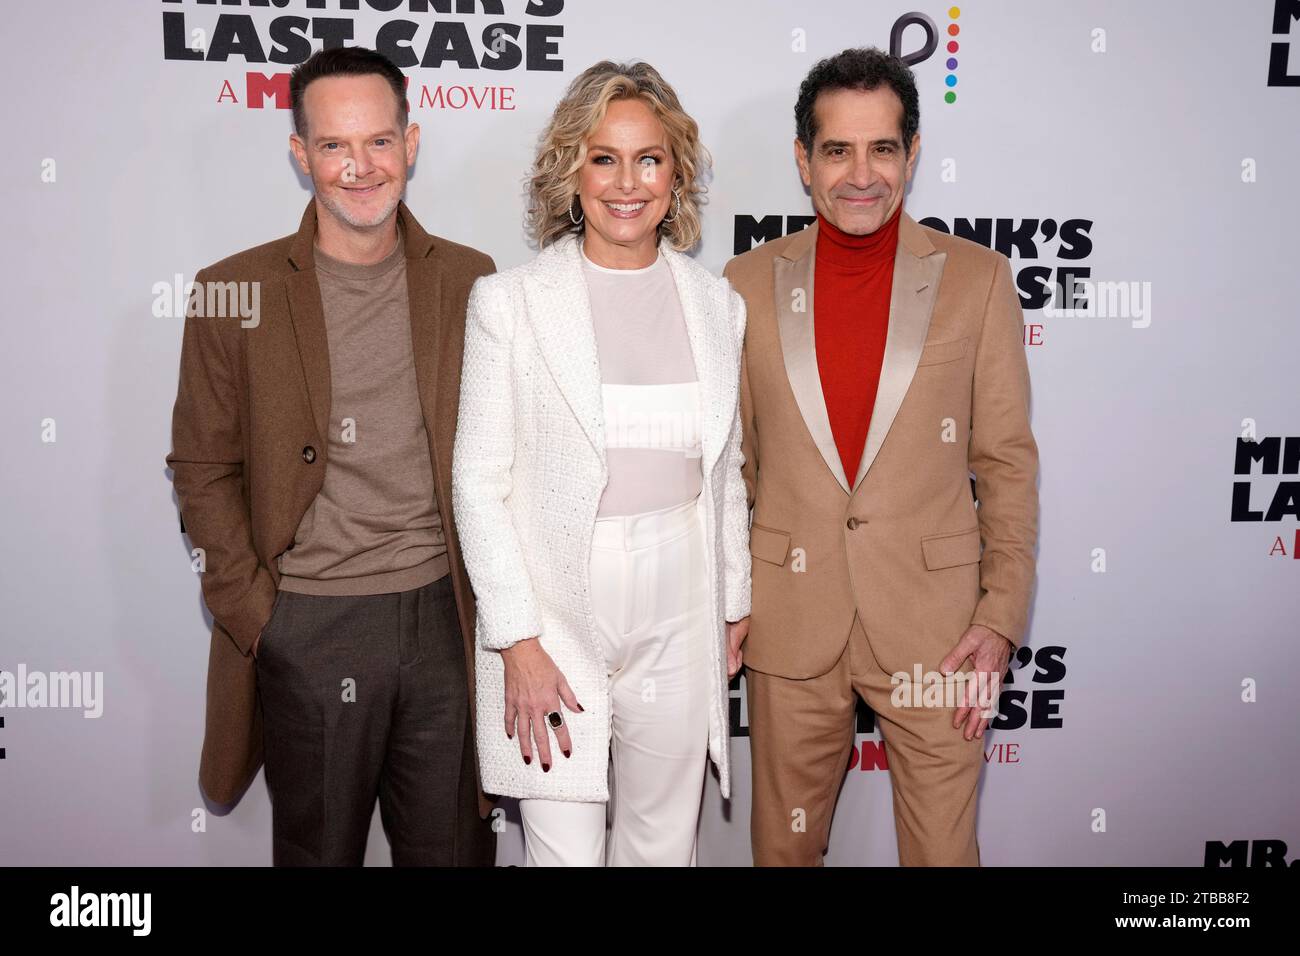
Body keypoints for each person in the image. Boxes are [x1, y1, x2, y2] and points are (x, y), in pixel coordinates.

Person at [166, 46, 497, 866]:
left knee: (454, 852)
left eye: (379, 142)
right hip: (308, 624)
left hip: (444, 622)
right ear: (300, 153)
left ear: (411, 145)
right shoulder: (230, 290)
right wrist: (259, 619)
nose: (360, 167)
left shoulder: (472, 280)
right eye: (334, 145)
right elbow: (201, 468)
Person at [723, 47, 1040, 866]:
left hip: (939, 633)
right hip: (789, 623)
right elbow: (733, 467)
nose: (861, 174)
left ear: (913, 151)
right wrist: (728, 595)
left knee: (943, 854)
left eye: (883, 149)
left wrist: (999, 620)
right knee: (782, 854)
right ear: (803, 159)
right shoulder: (745, 284)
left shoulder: (978, 281)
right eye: (837, 150)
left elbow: (1005, 462)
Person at [452, 60, 751, 867]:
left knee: (662, 847)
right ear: (570, 171)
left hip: (682, 602)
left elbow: (724, 475)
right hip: (554, 614)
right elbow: (478, 484)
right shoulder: (509, 303)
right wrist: (517, 640)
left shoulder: (717, 305)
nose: (628, 183)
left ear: (676, 174)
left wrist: (734, 600)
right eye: (604, 157)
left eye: (649, 159)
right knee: (564, 856)